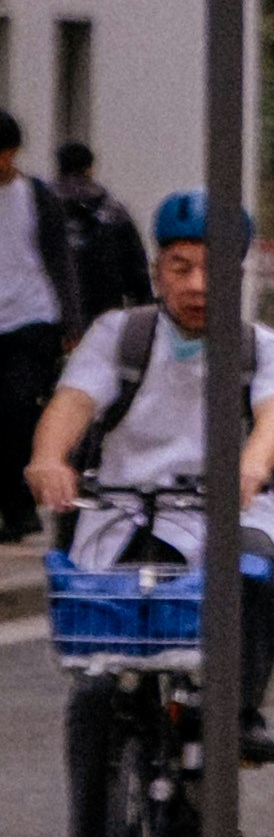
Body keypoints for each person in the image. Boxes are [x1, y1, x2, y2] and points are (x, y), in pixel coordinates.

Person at [28, 191, 274, 837]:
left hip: (225, 512)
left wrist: (252, 463)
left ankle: (241, 711)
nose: (195, 285)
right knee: (96, 685)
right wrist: (50, 457)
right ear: (157, 270)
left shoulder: (259, 347)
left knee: (256, 567)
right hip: (126, 513)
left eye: (212, 269)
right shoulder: (118, 336)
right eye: (179, 267)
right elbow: (72, 401)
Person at [0, 111, 87, 542]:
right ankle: (14, 506)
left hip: (30, 320)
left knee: (17, 410)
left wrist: (71, 321)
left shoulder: (36, 196)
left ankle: (19, 509)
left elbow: (60, 261)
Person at [52, 146, 147, 320]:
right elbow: (136, 266)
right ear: (90, 168)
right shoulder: (113, 212)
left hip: (54, 311)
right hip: (105, 307)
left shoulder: (43, 209)